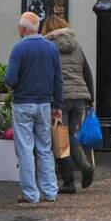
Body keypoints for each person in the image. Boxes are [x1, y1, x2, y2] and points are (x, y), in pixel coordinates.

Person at [3, 11, 63, 205]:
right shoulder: (51, 48)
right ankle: (50, 191)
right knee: (45, 148)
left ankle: (31, 194)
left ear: (22, 28)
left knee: (26, 149)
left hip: (23, 103)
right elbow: (58, 79)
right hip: (45, 103)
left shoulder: (19, 49)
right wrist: (58, 105)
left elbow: (10, 79)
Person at [41, 14, 95, 193]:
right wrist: (90, 98)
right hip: (80, 97)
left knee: (60, 140)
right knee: (71, 134)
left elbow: (48, 75)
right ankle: (83, 166)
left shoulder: (48, 47)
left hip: (60, 98)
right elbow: (87, 72)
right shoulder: (76, 45)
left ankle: (70, 181)